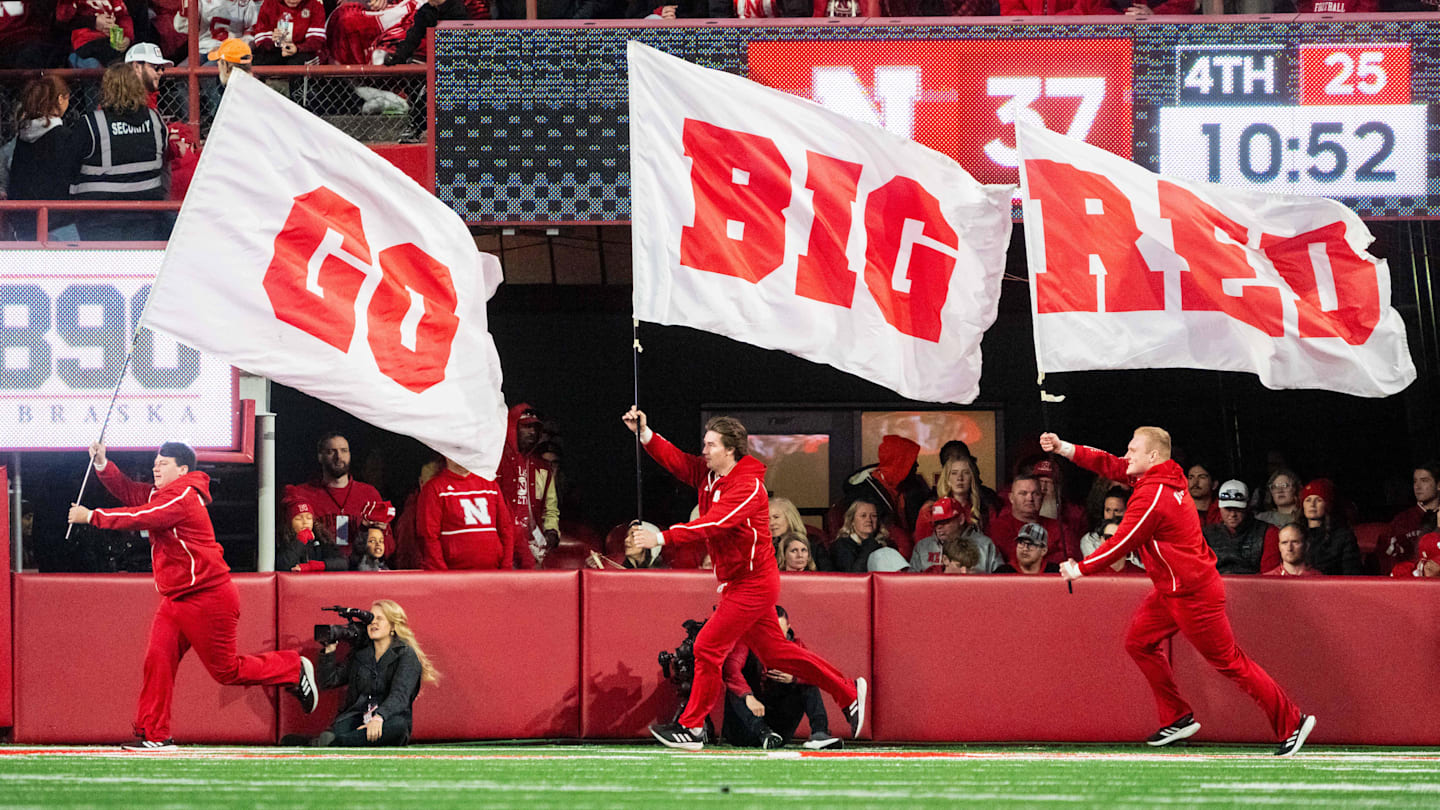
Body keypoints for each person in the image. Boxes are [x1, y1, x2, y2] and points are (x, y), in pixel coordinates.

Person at [1041, 428, 1316, 757]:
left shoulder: (1152, 495)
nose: (1125, 456)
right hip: (1173, 589)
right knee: (1139, 643)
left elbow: (1123, 542)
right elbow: (1110, 465)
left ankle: (1293, 721)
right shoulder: (1162, 478)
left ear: (1153, 457)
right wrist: (1064, 448)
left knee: (1230, 662)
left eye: (1132, 450)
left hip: (1192, 594)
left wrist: (1079, 569)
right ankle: (1178, 716)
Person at [622, 406, 865, 751]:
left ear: (730, 450)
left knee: (707, 646)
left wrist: (661, 537)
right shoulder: (710, 475)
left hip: (753, 583)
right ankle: (848, 692)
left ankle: (691, 728)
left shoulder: (748, 487)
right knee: (778, 653)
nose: (703, 451)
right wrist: (644, 433)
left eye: (710, 445)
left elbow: (715, 523)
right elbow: (676, 461)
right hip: (739, 582)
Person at [68, 441, 318, 751]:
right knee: (157, 662)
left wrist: (92, 516)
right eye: (156, 462)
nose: (155, 467)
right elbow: (130, 491)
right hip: (178, 598)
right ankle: (155, 735)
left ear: (183, 469)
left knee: (227, 671)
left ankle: (292, 667)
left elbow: (142, 517)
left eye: (163, 462)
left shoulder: (184, 497)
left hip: (208, 596)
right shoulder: (166, 495)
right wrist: (104, 464)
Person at [68, 62, 170, 242]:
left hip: (99, 218)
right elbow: (164, 155)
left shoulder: (90, 124)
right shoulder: (155, 119)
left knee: (106, 270)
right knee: (141, 269)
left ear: (106, 88)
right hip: (147, 213)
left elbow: (69, 164)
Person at [316, 599, 437, 746]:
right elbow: (329, 681)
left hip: (388, 718)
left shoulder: (405, 654)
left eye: (379, 619)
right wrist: (329, 650)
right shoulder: (361, 654)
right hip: (358, 716)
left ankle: (336, 744)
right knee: (340, 727)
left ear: (393, 626)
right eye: (371, 619)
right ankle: (341, 740)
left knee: (397, 728)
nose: (373, 623)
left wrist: (379, 717)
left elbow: (400, 695)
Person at [721, 607, 843, 751]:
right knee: (736, 689)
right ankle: (764, 733)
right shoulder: (746, 642)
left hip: (779, 729)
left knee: (807, 682)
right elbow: (731, 670)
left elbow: (814, 674)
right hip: (745, 727)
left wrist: (795, 678)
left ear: (788, 629)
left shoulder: (796, 646)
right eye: (771, 633)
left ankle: (819, 733)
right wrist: (748, 696)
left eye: (780, 633)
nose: (775, 639)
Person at [4, 76, 76, 241]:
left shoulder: (20, 139)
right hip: (59, 223)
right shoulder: (64, 137)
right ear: (59, 99)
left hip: (23, 224)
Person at [287, 432, 385, 551]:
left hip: (360, 566)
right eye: (331, 451)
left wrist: (381, 531)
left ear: (350, 454)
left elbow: (389, 547)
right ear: (320, 456)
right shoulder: (302, 494)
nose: (338, 457)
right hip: (319, 565)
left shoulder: (369, 493)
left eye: (344, 450)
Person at [416, 456, 517, 570]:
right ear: (446, 454)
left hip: (492, 573)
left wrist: (505, 567)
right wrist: (442, 575)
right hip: (454, 576)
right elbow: (428, 536)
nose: (463, 454)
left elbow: (506, 529)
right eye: (458, 449)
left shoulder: (490, 485)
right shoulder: (434, 488)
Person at [497, 404, 561, 569]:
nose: (532, 432)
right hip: (501, 546)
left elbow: (551, 507)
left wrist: (552, 531)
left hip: (533, 547)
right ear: (512, 427)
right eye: (526, 427)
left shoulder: (543, 467)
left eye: (536, 427)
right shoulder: (496, 463)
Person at [989, 474, 1077, 568]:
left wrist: (1033, 559)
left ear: (1042, 498)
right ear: (1011, 498)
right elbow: (1016, 559)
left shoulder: (1059, 528)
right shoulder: (997, 526)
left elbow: (1070, 558)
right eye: (1023, 493)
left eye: (1035, 494)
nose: (1030, 498)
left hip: (1051, 580)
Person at [1202, 480, 1278, 575]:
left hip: (1254, 586)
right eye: (1228, 509)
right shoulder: (1206, 534)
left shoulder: (1267, 532)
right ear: (1219, 508)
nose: (1233, 514)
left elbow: (1269, 575)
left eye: (1238, 509)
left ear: (1247, 507)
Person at [910, 496, 1000, 573]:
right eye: (936, 523)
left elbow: (999, 580)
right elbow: (911, 583)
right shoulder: (922, 547)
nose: (939, 527)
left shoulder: (985, 545)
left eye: (945, 521)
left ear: (961, 519)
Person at [1381, 462, 1440, 572]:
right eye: (1415, 481)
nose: (1417, 486)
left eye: (1424, 481)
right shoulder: (1401, 521)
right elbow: (1387, 563)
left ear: (1438, 485)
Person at [1298, 479, 1362, 576]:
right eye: (1308, 500)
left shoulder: (1343, 537)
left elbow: (1352, 574)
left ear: (1327, 504)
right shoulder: (1295, 534)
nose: (1312, 505)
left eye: (1318, 500)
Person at [277, 490, 348, 572]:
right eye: (298, 518)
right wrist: (300, 541)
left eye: (309, 518)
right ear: (290, 522)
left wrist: (315, 566)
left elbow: (343, 563)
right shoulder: (281, 539)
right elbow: (283, 565)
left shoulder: (321, 537)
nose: (305, 522)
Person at [57, 0, 133, 67]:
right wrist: (93, 22)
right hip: (84, 42)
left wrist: (127, 37)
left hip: (110, 42)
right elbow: (63, 18)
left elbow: (123, 17)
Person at [250, 0, 327, 65]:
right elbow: (261, 38)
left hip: (303, 52)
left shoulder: (315, 5)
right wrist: (272, 42)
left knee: (296, 64)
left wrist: (298, 49)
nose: (292, 0)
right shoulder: (269, 4)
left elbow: (316, 40)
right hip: (275, 50)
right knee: (258, 61)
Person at [830, 499, 890, 573]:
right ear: (852, 521)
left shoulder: (886, 543)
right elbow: (853, 576)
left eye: (874, 516)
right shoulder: (842, 545)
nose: (869, 519)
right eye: (863, 516)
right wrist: (869, 546)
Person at [993, 523, 1060, 574]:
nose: (1025, 549)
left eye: (1031, 544)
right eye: (1021, 543)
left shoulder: (1055, 572)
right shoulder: (1003, 572)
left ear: (1044, 550)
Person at [351, 500, 396, 571]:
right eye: (372, 541)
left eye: (381, 541)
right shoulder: (358, 570)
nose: (378, 544)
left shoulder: (385, 569)